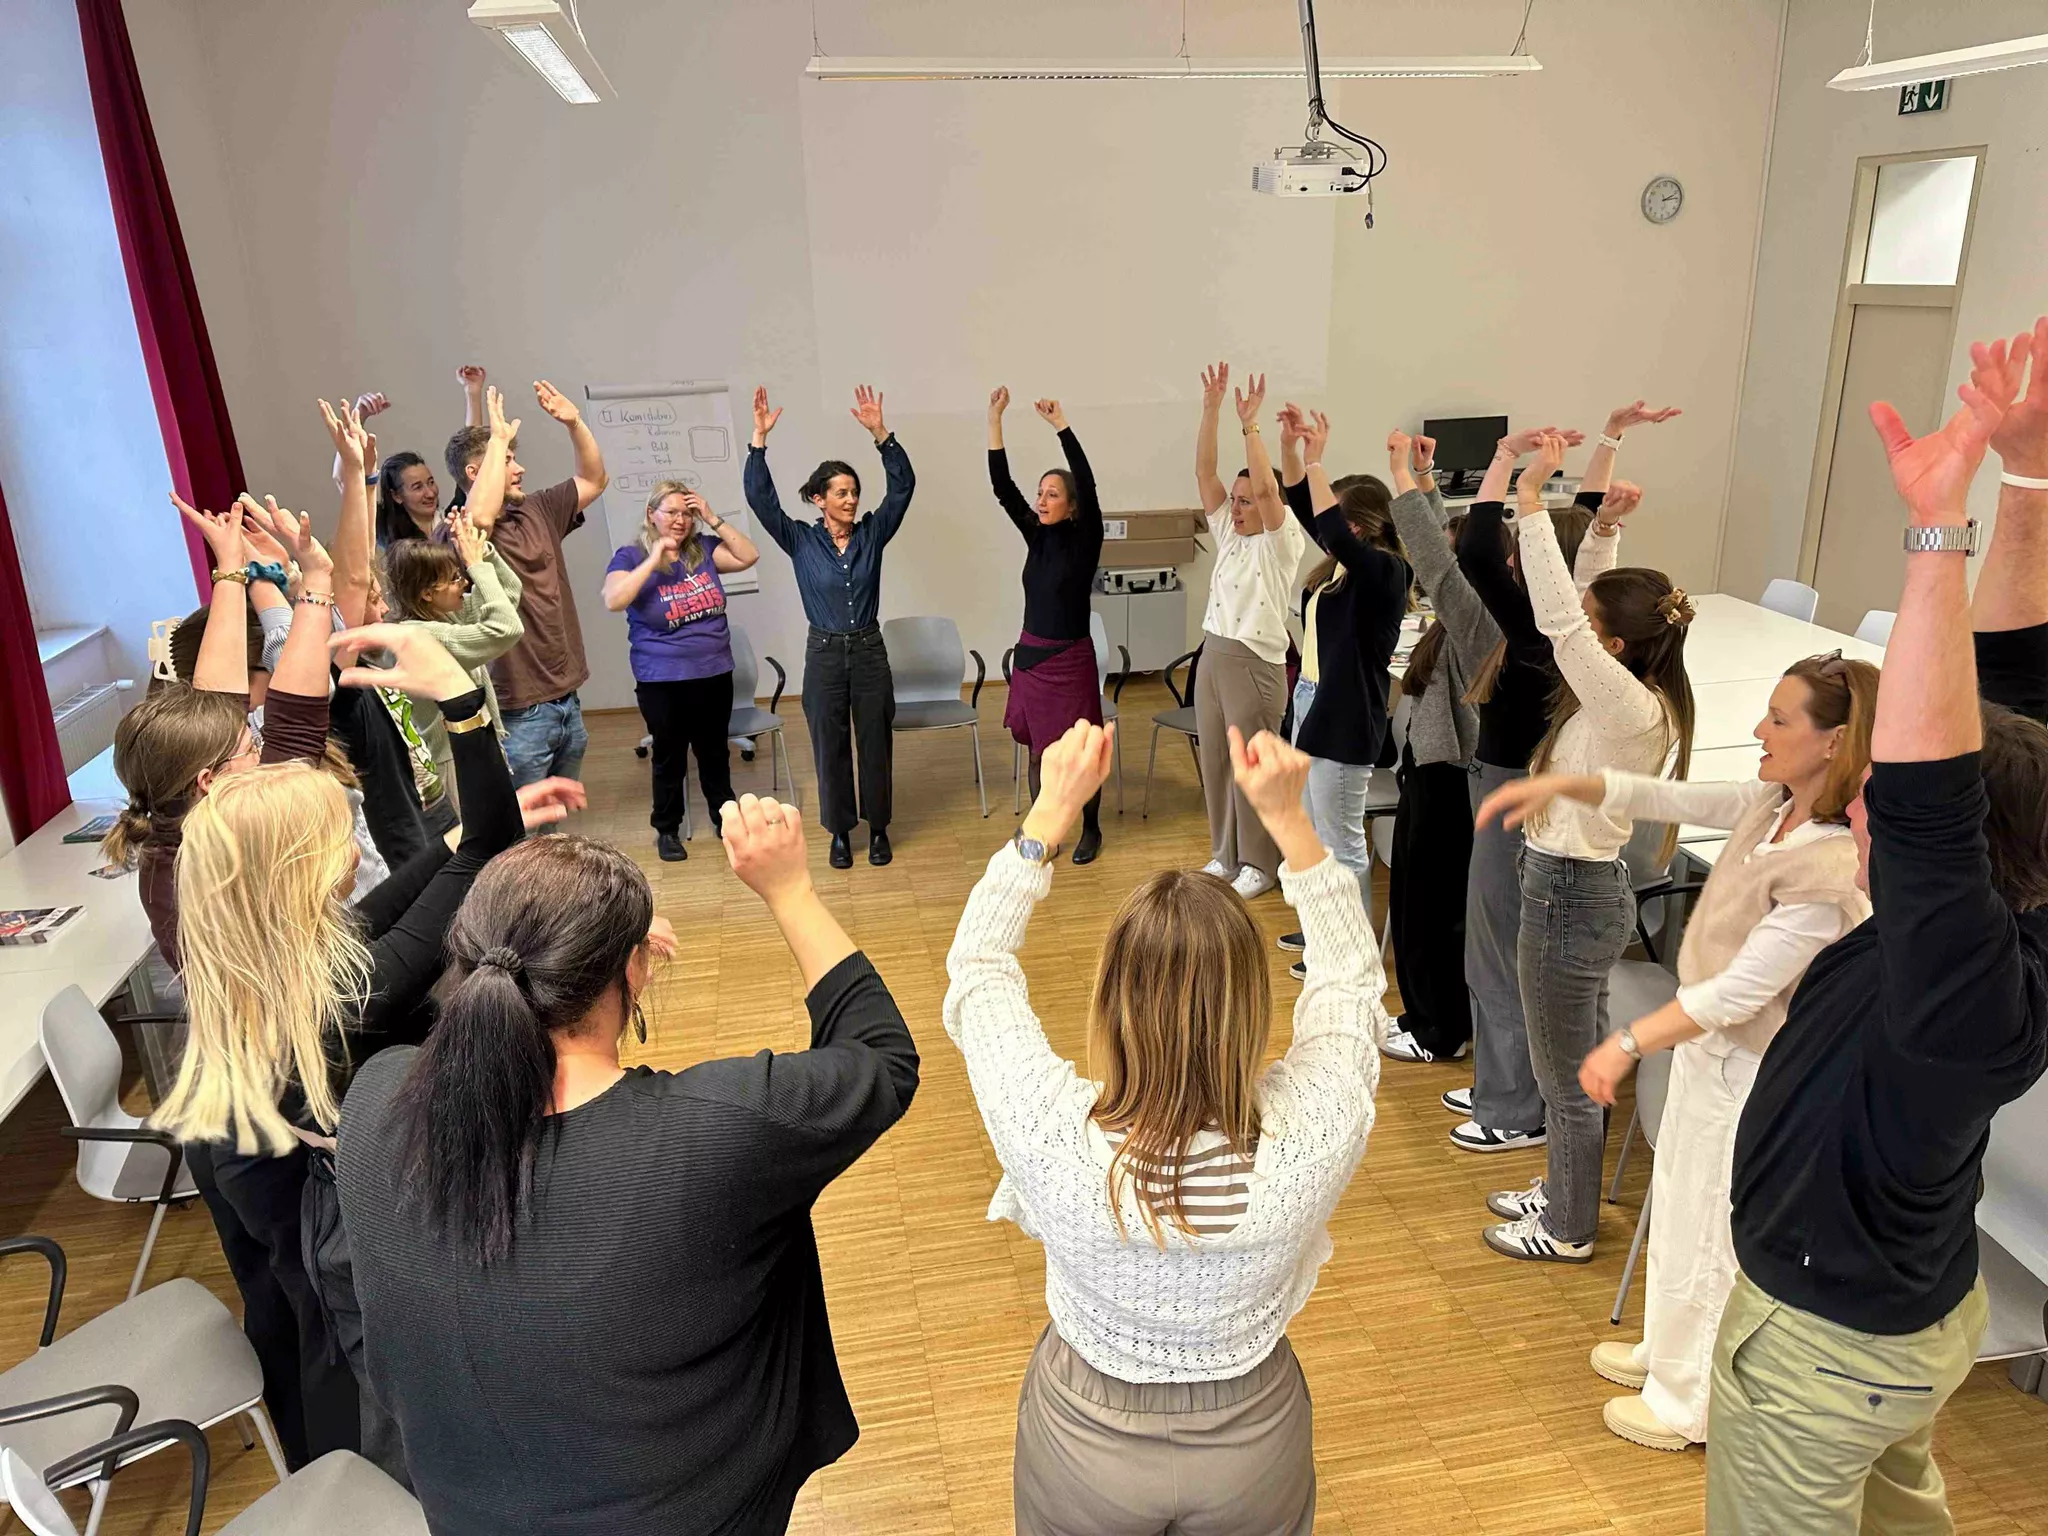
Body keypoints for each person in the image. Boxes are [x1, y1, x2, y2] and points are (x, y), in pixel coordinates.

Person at [336, 794, 919, 1535]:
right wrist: (790, 888)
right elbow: (882, 1059)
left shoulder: (377, 1099)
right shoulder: (712, 1133)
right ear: (634, 973)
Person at [1705, 321, 2048, 1534]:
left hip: (1824, 1352)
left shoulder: (1960, 995)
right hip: (1902, 1328)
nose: (1856, 800)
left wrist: (1929, 539)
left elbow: (1921, 790)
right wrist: (2031, 480)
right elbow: (2007, 689)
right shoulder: (2018, 901)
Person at [945, 720, 1387, 1535]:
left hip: (1083, 1441)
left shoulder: (1053, 1135)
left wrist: (1050, 813)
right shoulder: (1315, 1135)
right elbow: (1350, 988)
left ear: (1110, 1002)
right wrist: (1292, 825)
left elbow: (978, 969)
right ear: (1251, 1008)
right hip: (1256, 1439)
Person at [150, 622, 554, 1465]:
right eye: (337, 838)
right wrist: (460, 704)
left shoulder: (264, 957)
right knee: (373, 1387)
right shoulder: (341, 999)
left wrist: (452, 840)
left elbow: (431, 879)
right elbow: (488, 848)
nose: (352, 850)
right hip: (330, 1220)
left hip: (263, 1181)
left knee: (312, 1339)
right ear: (301, 872)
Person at [1482, 652, 1877, 1450]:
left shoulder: (1830, 866)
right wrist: (1572, 785)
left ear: (1835, 741)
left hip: (1755, 1067)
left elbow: (1740, 991)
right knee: (1679, 1203)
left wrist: (1626, 1042)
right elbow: (1676, 795)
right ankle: (1664, 1353)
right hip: (1709, 1052)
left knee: (1714, 1230)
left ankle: (1691, 1401)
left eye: (1780, 720)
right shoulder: (1774, 801)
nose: (1759, 732)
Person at [1474, 430, 1695, 1264]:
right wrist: (1602, 529)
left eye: (1597, 628)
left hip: (1570, 896)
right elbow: (1588, 610)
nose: (1583, 627)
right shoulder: (1629, 689)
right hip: (1569, 891)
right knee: (1571, 1063)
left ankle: (1567, 1228)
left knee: (1564, 1079)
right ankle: (1565, 1188)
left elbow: (1564, 619)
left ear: (1613, 649)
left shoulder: (1629, 710)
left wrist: (1534, 503)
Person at [1449, 406, 1674, 1153]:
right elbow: (1588, 543)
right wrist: (1607, 443)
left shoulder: (1553, 637)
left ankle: (1510, 1105)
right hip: (1535, 798)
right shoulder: (1606, 655)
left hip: (1523, 796)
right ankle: (1501, 1083)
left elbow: (1481, 544)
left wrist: (1520, 476)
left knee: (1498, 949)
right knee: (1506, 951)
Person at [744, 382, 914, 869]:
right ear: (818, 499)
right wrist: (759, 439)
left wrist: (881, 434)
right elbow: (761, 500)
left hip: (869, 652)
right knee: (829, 744)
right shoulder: (799, 540)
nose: (851, 499)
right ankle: (840, 832)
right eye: (841, 492)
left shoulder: (873, 535)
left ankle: (878, 828)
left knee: (875, 743)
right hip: (822, 655)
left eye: (855, 492)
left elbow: (902, 488)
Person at [1270, 404, 1409, 972]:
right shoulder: (1337, 569)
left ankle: (1350, 954)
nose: (1334, 532)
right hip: (1311, 705)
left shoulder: (1384, 571)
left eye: (1346, 522)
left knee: (1341, 842)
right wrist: (1291, 450)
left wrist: (1319, 458)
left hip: (1348, 720)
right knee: (1310, 832)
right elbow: (1305, 506)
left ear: (1369, 522)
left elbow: (1325, 522)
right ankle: (1321, 927)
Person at [1381, 430, 1495, 1063]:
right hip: (1429, 768)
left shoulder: (1483, 620)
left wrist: (1401, 475)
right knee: (1413, 900)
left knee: (1433, 907)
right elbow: (1445, 548)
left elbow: (1435, 562)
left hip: (1452, 776)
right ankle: (1422, 1013)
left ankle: (1439, 1030)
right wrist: (1427, 480)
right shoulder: (1475, 606)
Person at [445, 379, 610, 790]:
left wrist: (574, 424)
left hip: (567, 699)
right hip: (519, 712)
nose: (520, 468)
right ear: (475, 472)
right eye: (508, 460)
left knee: (551, 827)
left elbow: (593, 480)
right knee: (522, 833)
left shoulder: (537, 508)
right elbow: (479, 520)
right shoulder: (459, 532)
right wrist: (496, 438)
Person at [1192, 363, 1306, 900]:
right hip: (1213, 657)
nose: (1235, 507)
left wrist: (1251, 426)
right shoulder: (1232, 537)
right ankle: (1225, 854)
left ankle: (1260, 861)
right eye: (1233, 501)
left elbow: (1266, 487)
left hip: (1253, 665)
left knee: (1253, 765)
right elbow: (1205, 475)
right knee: (1215, 758)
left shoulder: (1282, 543)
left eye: (1246, 501)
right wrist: (1212, 409)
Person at [603, 480, 762, 862]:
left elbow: (749, 555)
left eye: (687, 513)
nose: (681, 520)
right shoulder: (629, 556)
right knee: (669, 756)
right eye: (671, 512)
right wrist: (653, 560)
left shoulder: (703, 551)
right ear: (650, 515)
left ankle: (725, 820)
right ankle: (667, 829)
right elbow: (614, 599)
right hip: (662, 679)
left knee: (713, 753)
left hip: (713, 671)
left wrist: (713, 517)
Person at [987, 386, 1108, 863]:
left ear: (1071, 505)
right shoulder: (1036, 536)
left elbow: (1089, 483)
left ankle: (1091, 828)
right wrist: (995, 418)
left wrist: (1062, 426)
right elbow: (1002, 487)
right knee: (1041, 751)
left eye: (1052, 494)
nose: (1040, 499)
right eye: (1039, 493)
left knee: (1081, 750)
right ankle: (1044, 831)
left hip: (1071, 659)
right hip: (1032, 658)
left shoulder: (1085, 539)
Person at [383, 503, 524, 819]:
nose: (463, 582)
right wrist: (476, 565)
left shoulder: (444, 615)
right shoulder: (419, 636)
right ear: (427, 594)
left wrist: (481, 550)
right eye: (453, 578)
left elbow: (508, 597)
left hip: (474, 746)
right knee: (483, 849)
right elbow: (506, 628)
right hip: (454, 759)